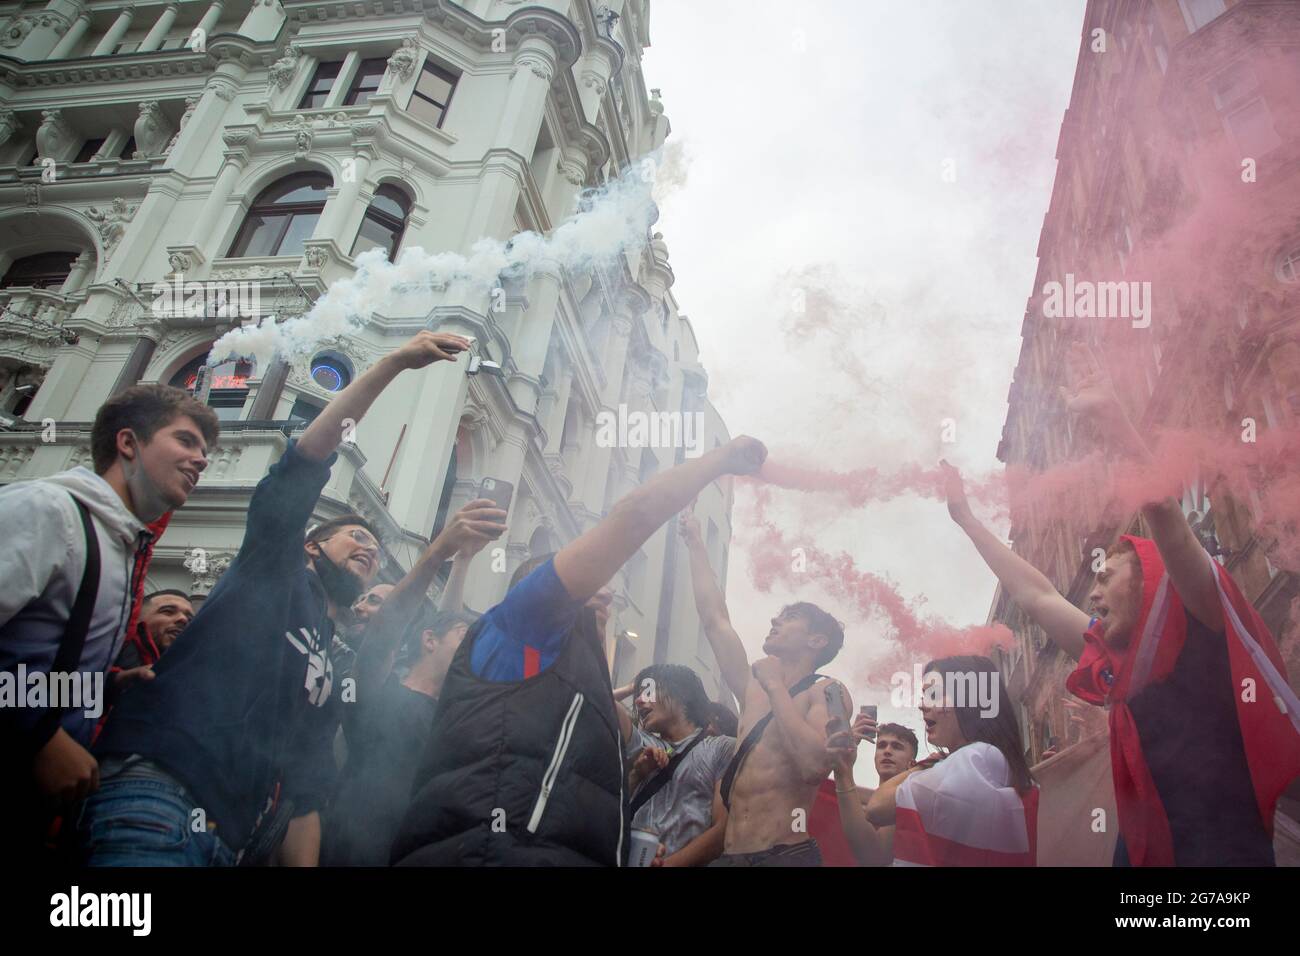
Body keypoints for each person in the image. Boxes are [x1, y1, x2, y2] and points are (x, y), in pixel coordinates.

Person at [79, 330, 496, 867]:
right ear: (308, 546)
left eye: (373, 546)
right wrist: (393, 364)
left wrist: (448, 556)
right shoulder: (271, 572)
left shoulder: (330, 659)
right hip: (157, 800)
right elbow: (304, 462)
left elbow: (307, 787)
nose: (368, 549)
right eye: (355, 538)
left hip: (230, 842)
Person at [940, 342, 1300, 866]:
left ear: (1153, 584)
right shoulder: (1120, 665)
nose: (1092, 591)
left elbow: (1164, 516)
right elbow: (1037, 595)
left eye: (1107, 578)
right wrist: (967, 520)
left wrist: (1114, 418)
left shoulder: (1204, 630)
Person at [392, 435, 768, 866]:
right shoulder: (522, 628)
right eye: (588, 585)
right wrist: (720, 461)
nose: (604, 591)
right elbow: (632, 517)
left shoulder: (583, 687)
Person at [0, 384, 217, 864]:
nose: (201, 459)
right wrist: (39, 736)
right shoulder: (47, 509)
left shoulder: (121, 545)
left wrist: (108, 685)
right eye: (185, 441)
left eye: (205, 451)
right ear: (127, 443)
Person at [679, 510, 850, 867]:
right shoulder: (752, 686)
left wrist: (775, 687)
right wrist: (695, 542)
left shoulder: (831, 692)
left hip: (783, 855)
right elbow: (715, 620)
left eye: (789, 618)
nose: (774, 620)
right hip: (731, 855)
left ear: (817, 640)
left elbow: (814, 764)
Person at [322, 607, 477, 866]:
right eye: (465, 637)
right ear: (430, 640)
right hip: (335, 849)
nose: (475, 651)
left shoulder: (457, 731)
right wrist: (430, 566)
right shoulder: (383, 691)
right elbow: (381, 638)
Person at [865, 656, 1037, 866]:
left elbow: (876, 807)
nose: (922, 706)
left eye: (934, 694)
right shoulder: (991, 759)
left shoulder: (974, 758)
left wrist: (921, 766)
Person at [619, 664, 735, 866]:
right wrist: (630, 687)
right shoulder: (643, 746)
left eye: (648, 691)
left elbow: (722, 830)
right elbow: (600, 702)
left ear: (681, 693)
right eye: (637, 695)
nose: (638, 701)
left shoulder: (722, 748)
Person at [824, 718, 919, 866]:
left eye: (897, 747)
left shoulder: (909, 801)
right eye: (881, 745)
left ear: (912, 764)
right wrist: (839, 756)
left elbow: (875, 859)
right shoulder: (860, 799)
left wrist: (843, 771)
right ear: (875, 757)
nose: (887, 751)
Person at [114, 590, 195, 670]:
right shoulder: (108, 653)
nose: (184, 619)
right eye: (168, 611)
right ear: (137, 617)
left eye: (190, 619)